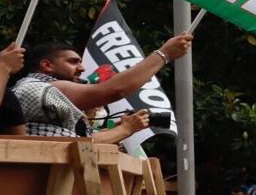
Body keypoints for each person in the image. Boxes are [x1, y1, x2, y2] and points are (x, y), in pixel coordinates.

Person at [13, 35, 191, 137]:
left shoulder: (39, 90)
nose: (82, 69)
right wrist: (164, 54)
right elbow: (115, 90)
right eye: (73, 62)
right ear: (47, 65)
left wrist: (117, 131)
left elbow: (79, 144)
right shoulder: (37, 86)